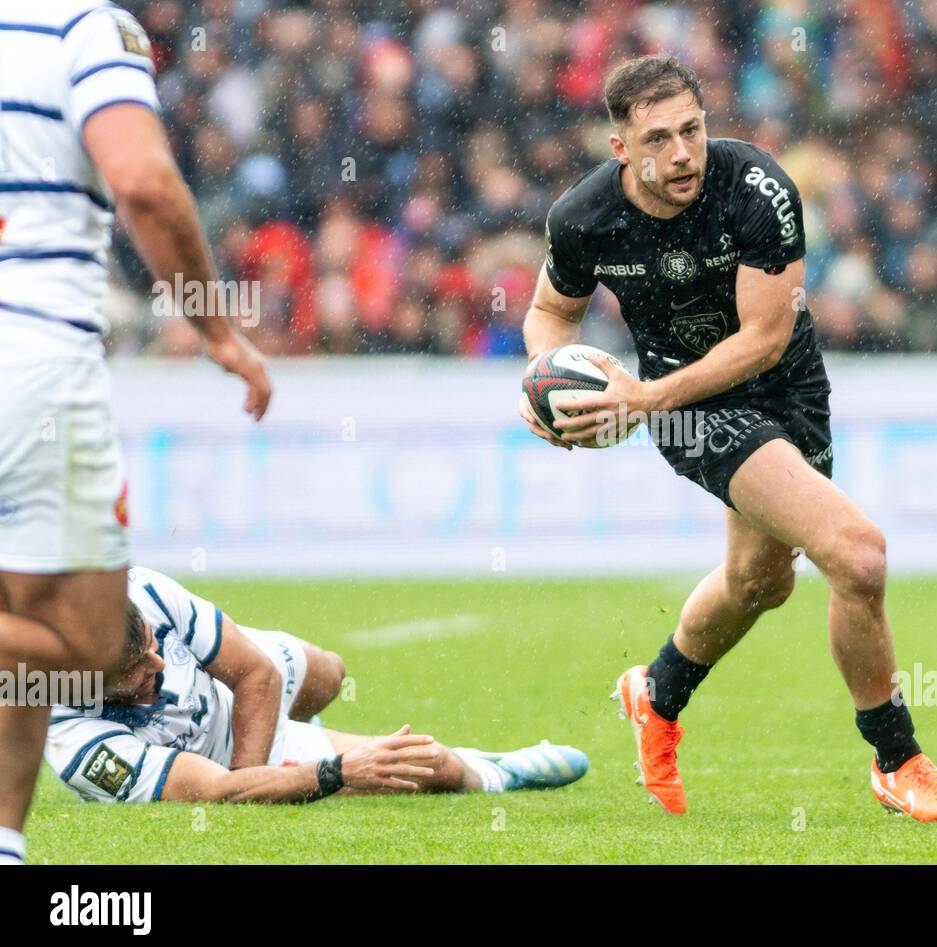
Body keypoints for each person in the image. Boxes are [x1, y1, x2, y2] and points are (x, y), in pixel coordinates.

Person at [518, 55, 937, 821]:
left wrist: (643, 397)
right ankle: (898, 760)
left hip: (785, 386)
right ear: (621, 150)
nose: (681, 154)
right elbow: (551, 312)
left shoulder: (758, 188)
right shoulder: (582, 217)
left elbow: (765, 338)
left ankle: (657, 690)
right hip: (696, 411)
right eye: (658, 139)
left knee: (761, 582)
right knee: (857, 554)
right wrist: (545, 381)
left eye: (692, 130)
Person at [0, 0, 271, 863]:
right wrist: (217, 323)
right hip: (32, 357)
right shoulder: (81, 27)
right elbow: (145, 183)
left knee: (25, 622)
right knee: (85, 639)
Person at [45, 566, 589, 803]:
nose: (159, 667)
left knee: (331, 671)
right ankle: (498, 772)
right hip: (218, 758)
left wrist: (264, 781)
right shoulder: (79, 745)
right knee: (434, 765)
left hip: (236, 687)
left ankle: (304, 728)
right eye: (140, 673)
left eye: (155, 650)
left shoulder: (140, 591)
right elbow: (218, 791)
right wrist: (331, 772)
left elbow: (256, 673)